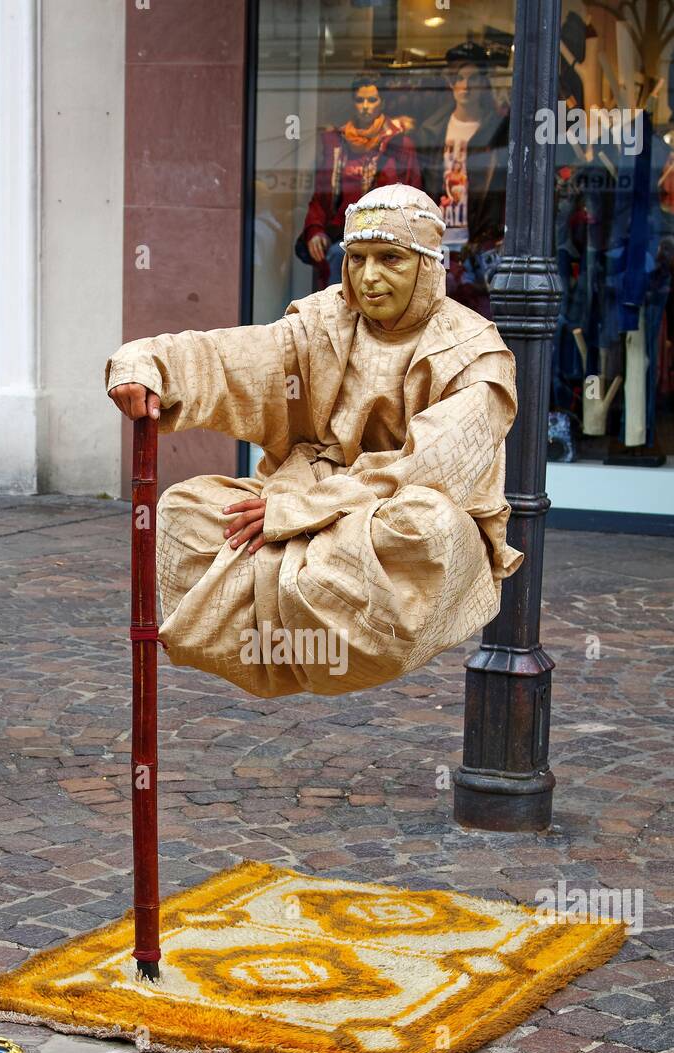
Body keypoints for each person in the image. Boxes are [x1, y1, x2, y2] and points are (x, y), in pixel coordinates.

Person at [105, 183, 522, 699]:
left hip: (392, 510)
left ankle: (324, 641)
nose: (369, 278)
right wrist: (149, 365)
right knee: (184, 509)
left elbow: (428, 469)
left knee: (425, 528)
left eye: (390, 258)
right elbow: (237, 357)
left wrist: (303, 511)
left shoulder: (475, 354)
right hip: (306, 488)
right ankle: (280, 643)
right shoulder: (326, 323)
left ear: (427, 265)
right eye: (358, 259)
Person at [296, 74, 421, 288]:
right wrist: (315, 230)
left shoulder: (399, 143)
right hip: (342, 232)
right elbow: (321, 196)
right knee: (337, 258)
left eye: (371, 100)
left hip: (385, 234)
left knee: (341, 257)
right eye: (360, 100)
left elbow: (414, 195)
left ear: (381, 101)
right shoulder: (336, 142)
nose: (365, 106)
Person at [416, 45, 509, 316]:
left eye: (473, 78)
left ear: (483, 82)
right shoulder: (432, 130)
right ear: (449, 82)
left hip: (479, 247)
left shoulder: (498, 130)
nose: (466, 86)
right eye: (459, 78)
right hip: (440, 248)